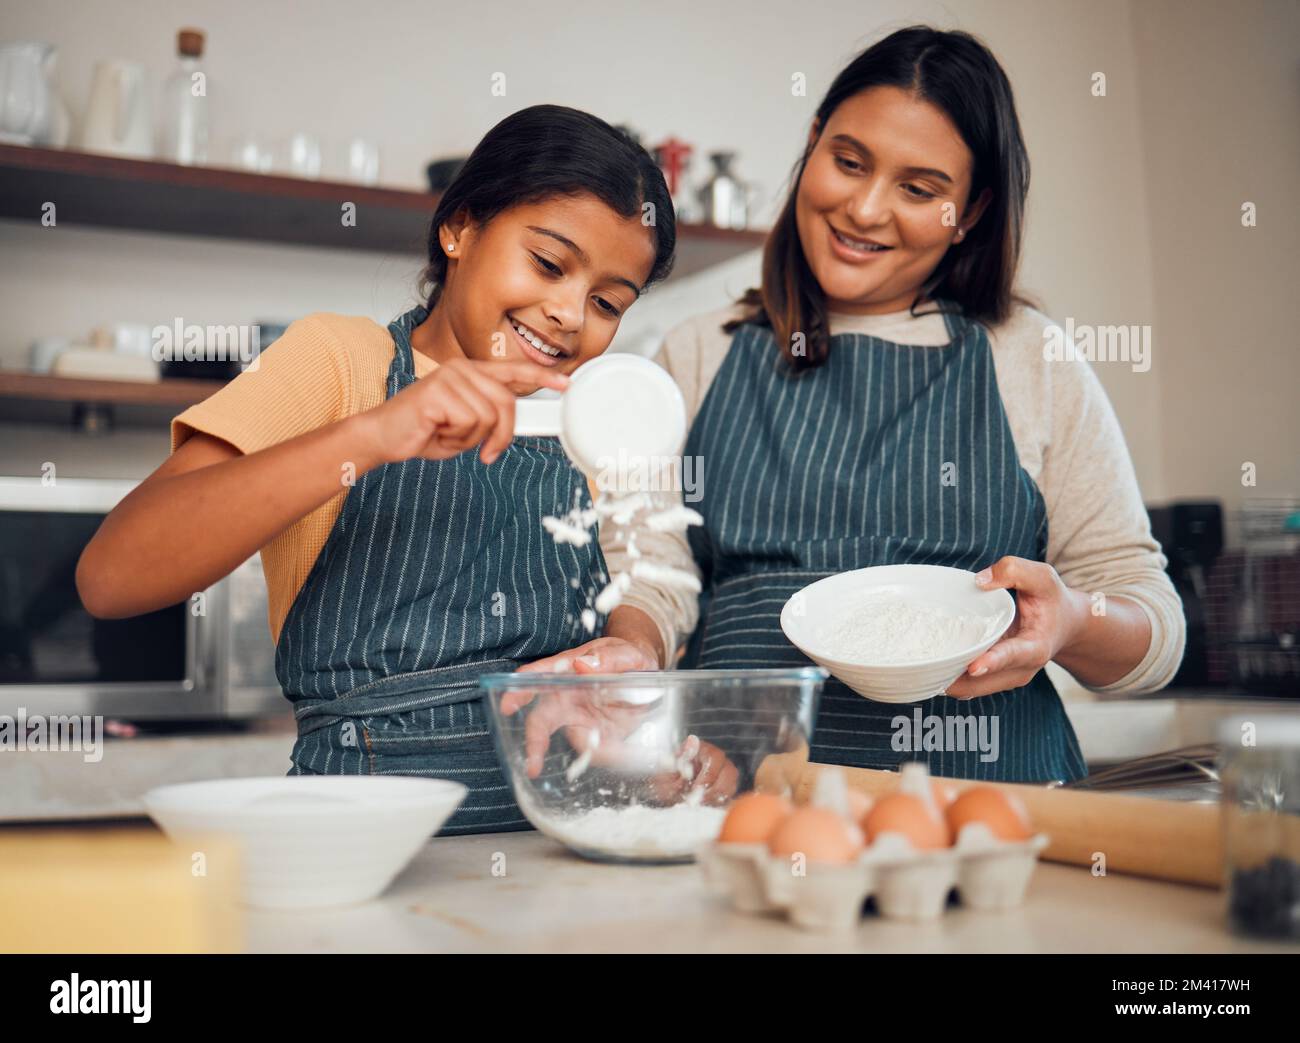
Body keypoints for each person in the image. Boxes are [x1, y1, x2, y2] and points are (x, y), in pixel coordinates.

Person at [532, 26, 1186, 784]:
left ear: (969, 212)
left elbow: (1154, 631)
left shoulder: (1030, 358)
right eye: (848, 162)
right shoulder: (696, 351)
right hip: (743, 807)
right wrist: (635, 650)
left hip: (997, 811)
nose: (865, 209)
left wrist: (1071, 621)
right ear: (812, 144)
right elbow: (656, 579)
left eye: (919, 189)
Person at [76, 104, 679, 832]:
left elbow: (649, 578)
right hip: (360, 839)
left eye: (607, 302)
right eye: (549, 264)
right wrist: (375, 433)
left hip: (561, 839)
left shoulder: (596, 417)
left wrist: (632, 655)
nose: (568, 314)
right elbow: (112, 575)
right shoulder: (341, 362)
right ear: (459, 227)